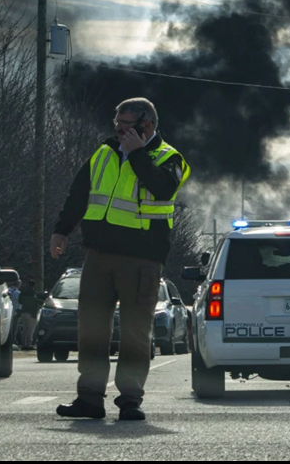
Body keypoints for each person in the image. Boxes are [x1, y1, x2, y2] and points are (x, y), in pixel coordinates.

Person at [50, 98, 190, 421]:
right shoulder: (104, 152)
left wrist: (137, 154)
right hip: (98, 257)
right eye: (117, 123)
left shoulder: (169, 158)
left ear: (147, 126)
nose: (119, 130)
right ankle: (89, 397)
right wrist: (61, 230)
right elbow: (79, 193)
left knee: (135, 333)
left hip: (142, 261)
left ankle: (130, 399)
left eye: (126, 124)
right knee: (92, 329)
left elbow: (163, 189)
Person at [17, 279, 40, 350]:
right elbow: (37, 304)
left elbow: (19, 300)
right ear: (34, 285)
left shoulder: (23, 293)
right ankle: (28, 344)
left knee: (24, 330)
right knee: (30, 330)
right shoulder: (35, 294)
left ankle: (23, 344)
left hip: (23, 312)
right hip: (31, 313)